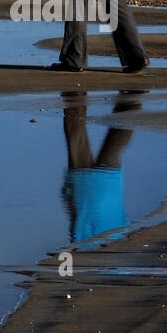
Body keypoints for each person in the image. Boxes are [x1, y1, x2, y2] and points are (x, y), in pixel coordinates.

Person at [61, 90, 138, 242]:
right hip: (82, 188)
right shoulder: (82, 246)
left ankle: (132, 102)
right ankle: (75, 95)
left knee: (116, 142)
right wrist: (67, 193)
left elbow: (125, 218)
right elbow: (74, 218)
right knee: (76, 133)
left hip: (110, 185)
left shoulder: (119, 240)